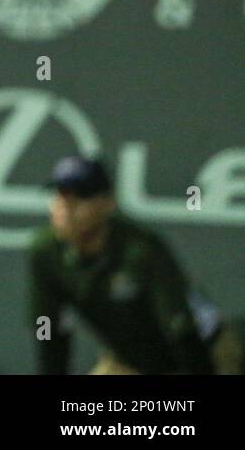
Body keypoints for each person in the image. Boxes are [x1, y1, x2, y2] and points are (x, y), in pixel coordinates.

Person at [27, 157, 227, 374]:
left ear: (107, 203)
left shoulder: (142, 251)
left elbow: (181, 329)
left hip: (205, 351)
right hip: (128, 362)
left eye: (80, 197)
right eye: (60, 196)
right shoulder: (45, 252)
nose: (65, 207)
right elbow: (49, 328)